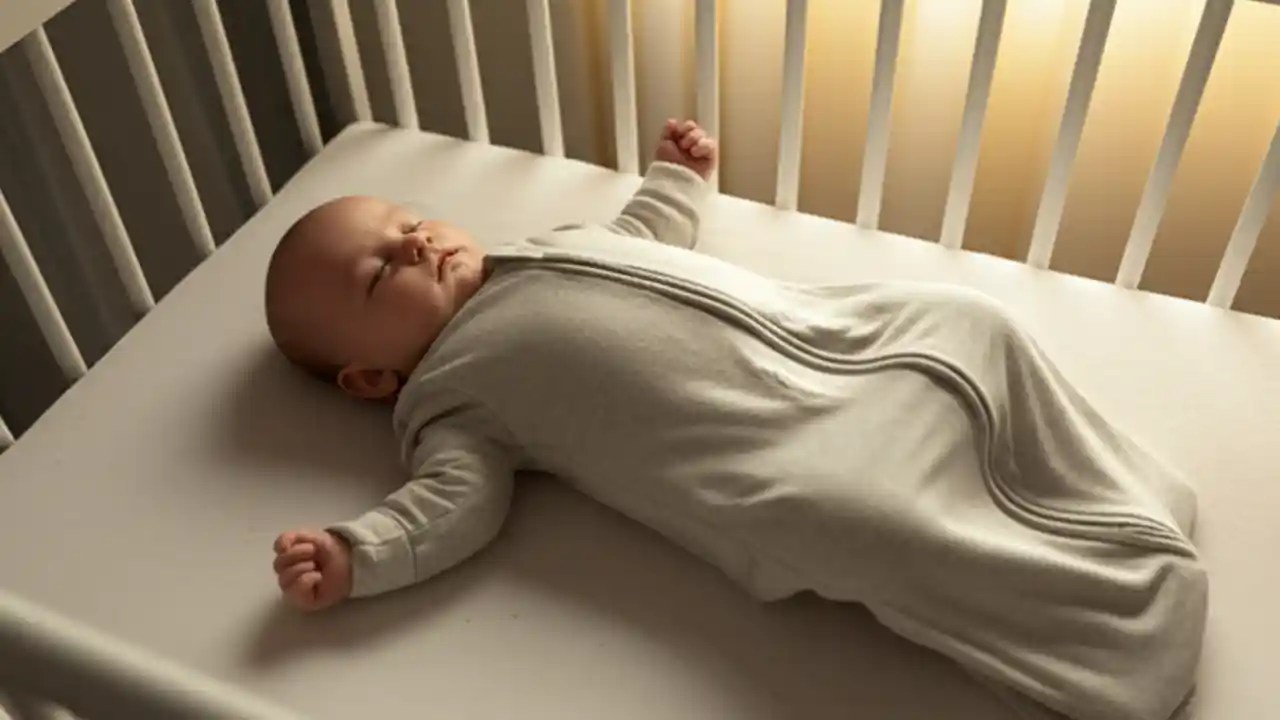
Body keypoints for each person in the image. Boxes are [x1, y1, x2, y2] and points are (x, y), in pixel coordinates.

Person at [264, 118, 1203, 720]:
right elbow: (452, 503)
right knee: (860, 520)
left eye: (408, 222)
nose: (416, 244)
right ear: (369, 378)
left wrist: (678, 177)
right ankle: (1113, 636)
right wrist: (356, 554)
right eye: (381, 272)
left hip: (831, 337)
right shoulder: (450, 399)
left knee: (971, 322)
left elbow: (643, 236)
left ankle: (1123, 499)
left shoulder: (542, 245)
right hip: (775, 450)